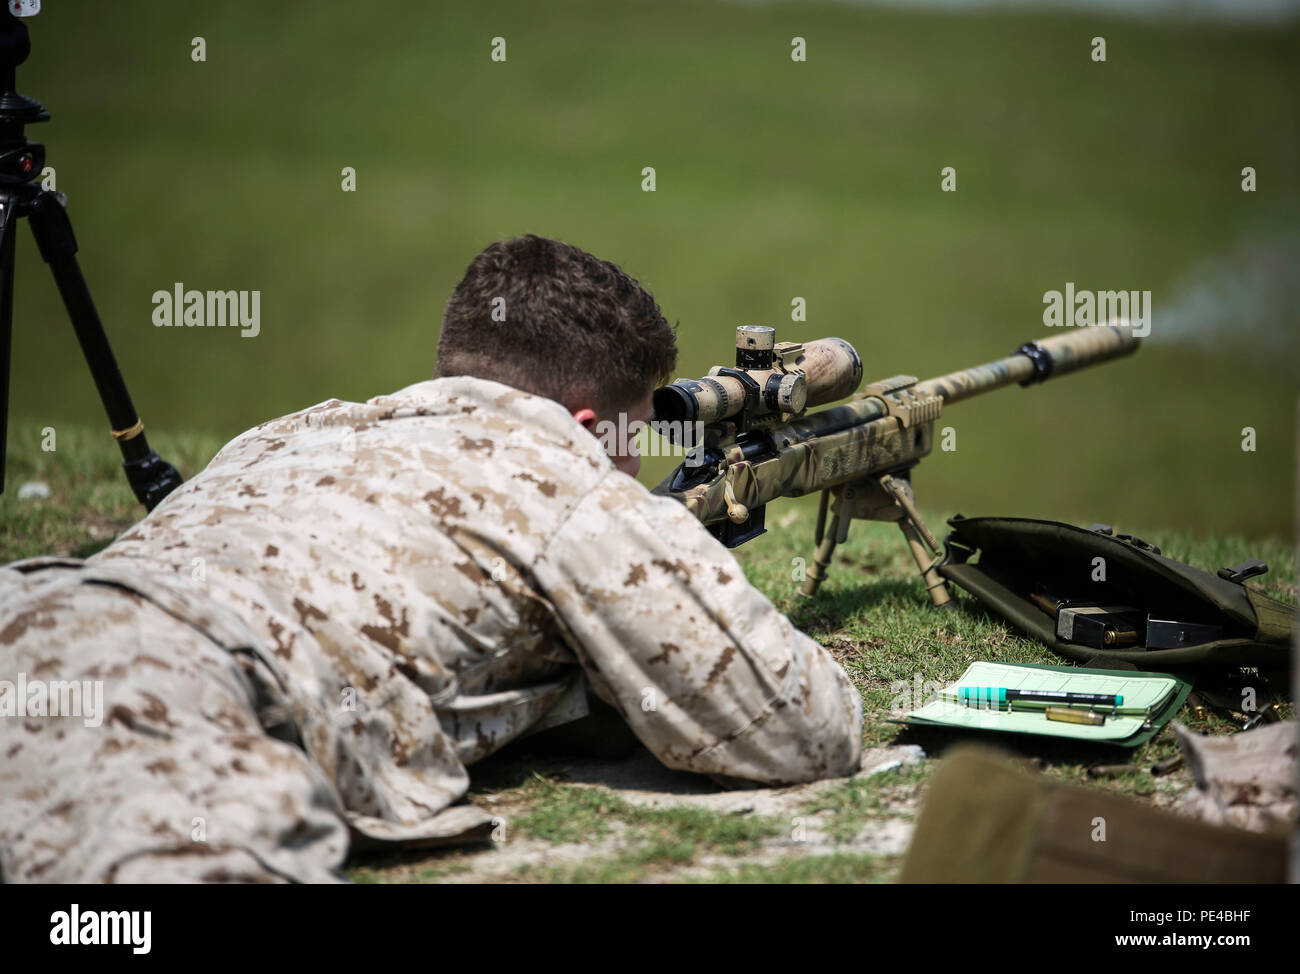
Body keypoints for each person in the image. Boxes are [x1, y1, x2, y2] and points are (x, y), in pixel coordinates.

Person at [0, 235, 862, 883]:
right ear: (588, 431)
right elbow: (803, 730)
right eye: (637, 444)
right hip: (160, 707)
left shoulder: (294, 431)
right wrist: (665, 541)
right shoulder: (562, 477)